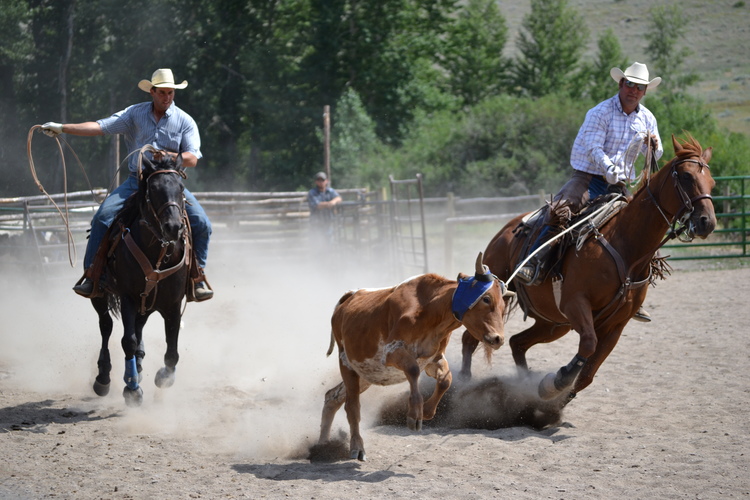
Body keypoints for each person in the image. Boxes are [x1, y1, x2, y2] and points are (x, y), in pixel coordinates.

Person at [41, 68, 213, 301]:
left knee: (202, 223)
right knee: (102, 218)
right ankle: (93, 276)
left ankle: (196, 278)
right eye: (162, 92)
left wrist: (170, 156)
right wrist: (63, 128)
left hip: (169, 184)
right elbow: (101, 127)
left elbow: (192, 158)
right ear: (152, 92)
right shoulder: (134, 114)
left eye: (171, 93)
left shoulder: (185, 121)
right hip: (138, 181)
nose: (167, 98)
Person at [516, 62, 663, 322]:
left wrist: (653, 146)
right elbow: (594, 148)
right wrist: (609, 169)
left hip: (619, 185)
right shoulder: (600, 112)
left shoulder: (647, 118)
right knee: (561, 210)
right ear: (621, 84)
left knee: (639, 227)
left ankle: (634, 292)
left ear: (644, 92)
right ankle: (533, 262)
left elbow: (656, 152)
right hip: (588, 178)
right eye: (630, 84)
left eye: (639, 87)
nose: (634, 90)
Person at [307, 171, 342, 244]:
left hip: (328, 222)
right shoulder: (312, 192)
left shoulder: (330, 191)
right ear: (316, 182)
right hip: (316, 224)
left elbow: (339, 198)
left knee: (329, 243)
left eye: (322, 180)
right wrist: (329, 203)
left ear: (326, 181)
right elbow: (317, 205)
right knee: (317, 244)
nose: (321, 182)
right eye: (318, 180)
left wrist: (333, 202)